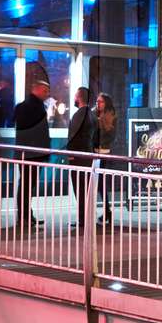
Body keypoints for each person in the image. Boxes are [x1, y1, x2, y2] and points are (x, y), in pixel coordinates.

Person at [14, 75, 51, 232]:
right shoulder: (33, 107)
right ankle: (24, 217)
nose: (47, 94)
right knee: (27, 185)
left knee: (27, 185)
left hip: (29, 152)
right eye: (45, 91)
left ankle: (26, 215)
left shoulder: (25, 106)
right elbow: (37, 132)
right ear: (37, 90)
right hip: (32, 152)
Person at [63, 86, 95, 226]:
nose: (74, 98)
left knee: (80, 189)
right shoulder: (92, 115)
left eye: (75, 96)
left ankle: (83, 219)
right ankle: (87, 217)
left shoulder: (78, 116)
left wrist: (70, 154)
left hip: (78, 157)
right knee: (86, 189)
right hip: (88, 155)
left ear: (79, 98)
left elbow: (74, 137)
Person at [93, 92, 118, 227]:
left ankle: (107, 211)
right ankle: (106, 211)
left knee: (101, 184)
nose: (98, 104)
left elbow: (110, 136)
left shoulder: (111, 116)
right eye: (97, 101)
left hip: (103, 152)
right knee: (96, 184)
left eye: (101, 101)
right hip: (93, 151)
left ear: (106, 103)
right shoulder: (94, 114)